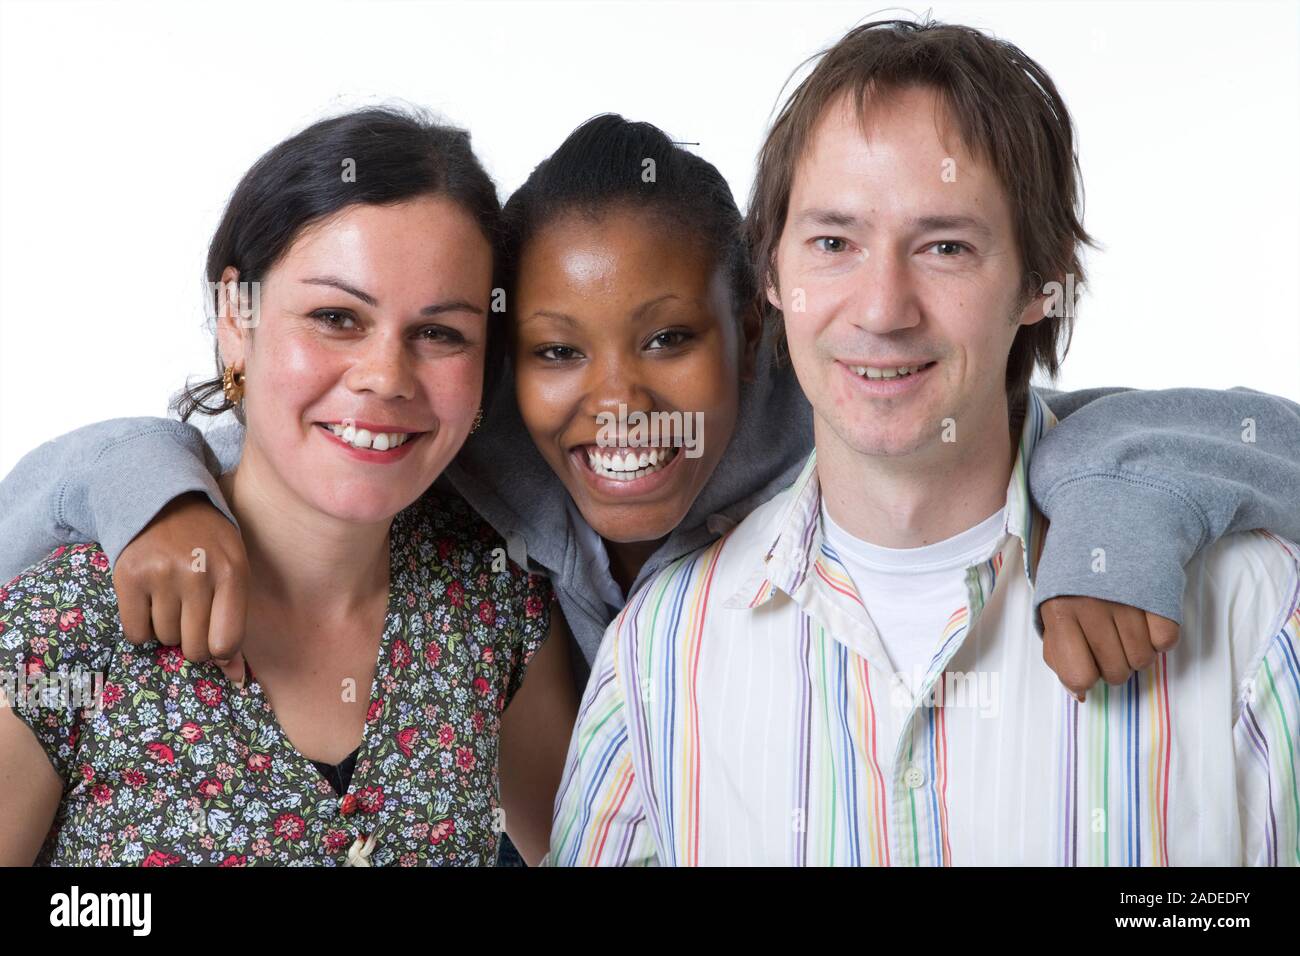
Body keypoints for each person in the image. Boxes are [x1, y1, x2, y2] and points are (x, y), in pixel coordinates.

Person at [548, 19, 1300, 866]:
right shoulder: (658, 656)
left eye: (945, 246)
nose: (881, 309)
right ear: (772, 274)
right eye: (833, 243)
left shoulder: (1251, 610)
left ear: (1038, 284)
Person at [0, 107, 576, 866]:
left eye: (440, 333)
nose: (385, 377)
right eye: (337, 316)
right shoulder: (68, 621)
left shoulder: (497, 604)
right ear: (238, 319)